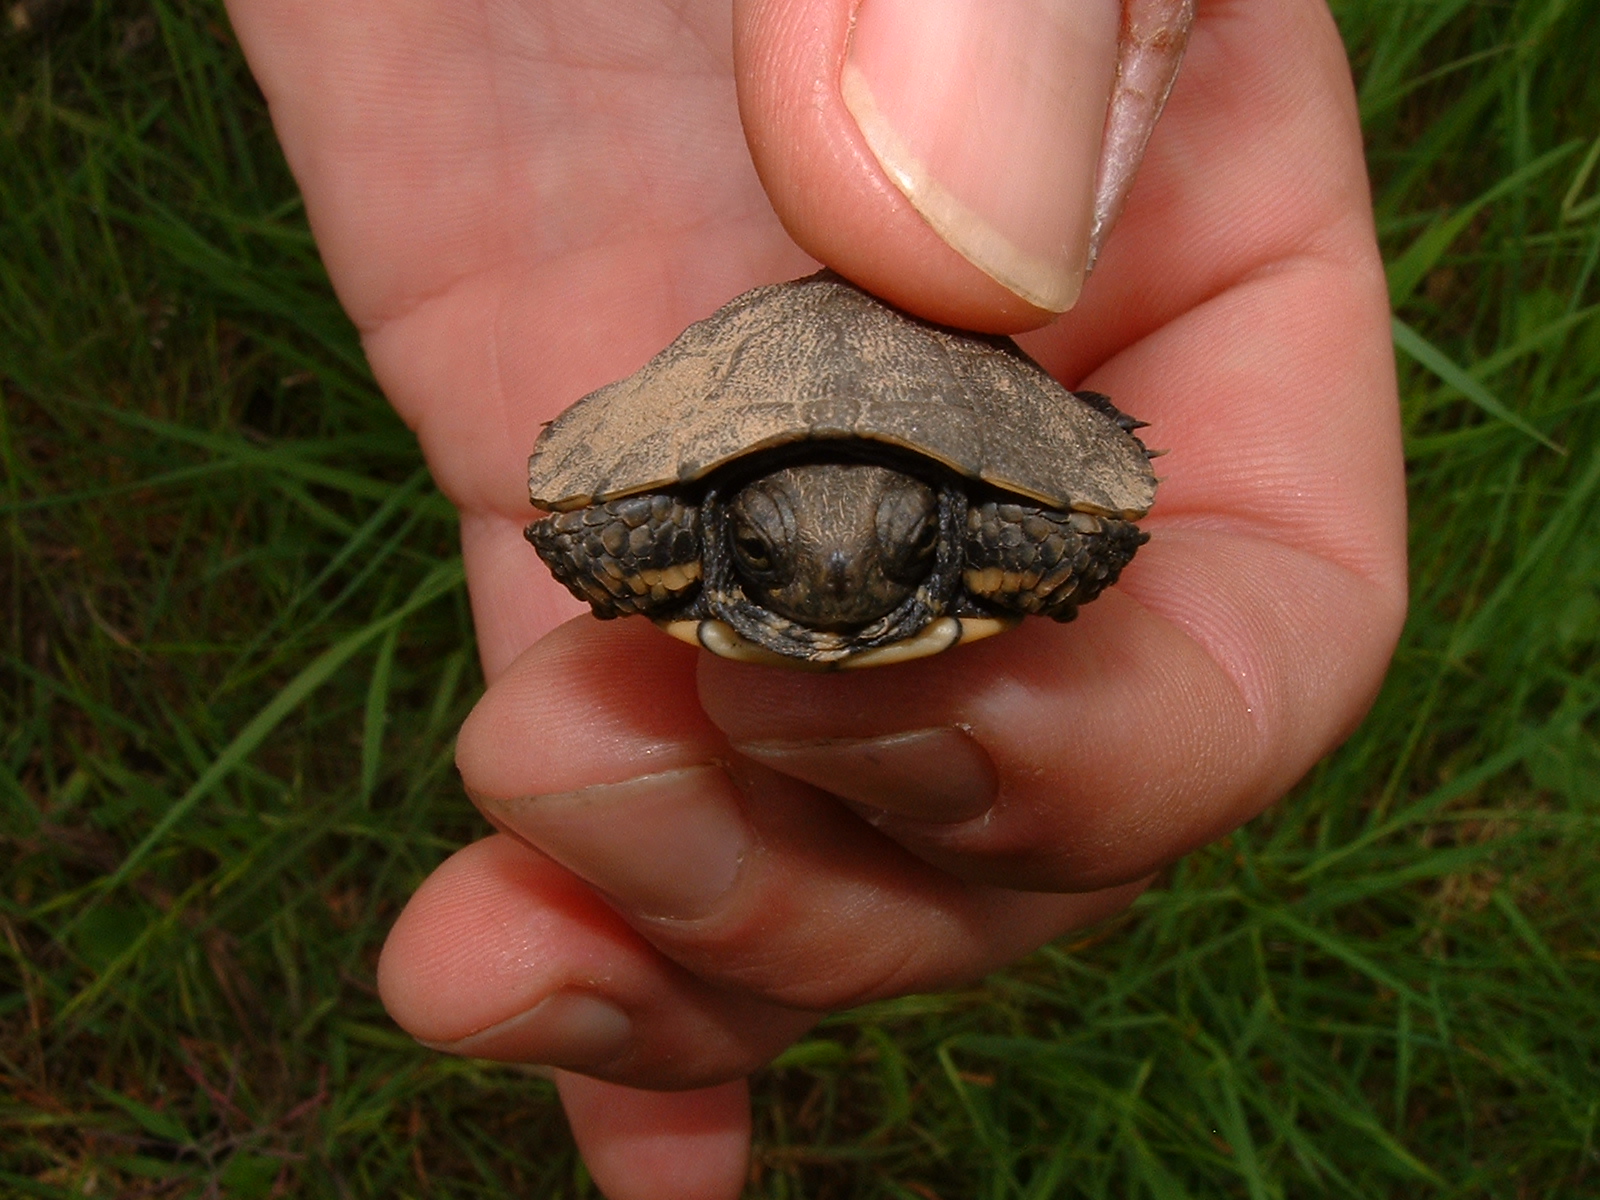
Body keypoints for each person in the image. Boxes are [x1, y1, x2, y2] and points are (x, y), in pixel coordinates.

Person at [222, 1, 1407, 1196]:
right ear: (733, 531)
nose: (837, 575)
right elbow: (584, 518)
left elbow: (1088, 518)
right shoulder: (691, 516)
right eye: (776, 551)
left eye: (893, 549)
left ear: (933, 532)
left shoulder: (967, 519)